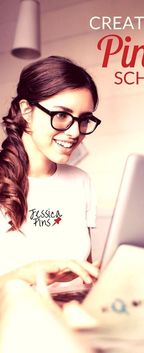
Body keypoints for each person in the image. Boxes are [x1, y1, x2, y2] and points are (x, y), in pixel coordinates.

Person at [0, 55, 101, 286]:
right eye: (62, 115)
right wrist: (29, 273)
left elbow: (86, 277)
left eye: (84, 119)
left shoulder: (81, 181)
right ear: (26, 110)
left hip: (72, 316)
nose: (75, 132)